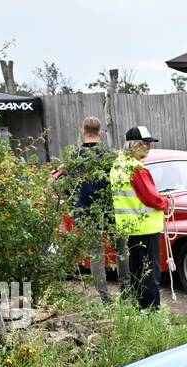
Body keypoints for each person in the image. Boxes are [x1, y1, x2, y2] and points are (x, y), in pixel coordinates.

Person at [109, 125, 170, 310]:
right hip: (146, 228)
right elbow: (151, 198)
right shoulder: (136, 168)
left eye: (149, 143)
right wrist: (166, 203)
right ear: (133, 145)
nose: (148, 147)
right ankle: (151, 311)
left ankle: (139, 309)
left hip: (127, 228)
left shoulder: (117, 165)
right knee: (149, 272)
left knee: (135, 271)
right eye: (145, 143)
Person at [61, 116, 114, 302]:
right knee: (122, 249)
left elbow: (66, 186)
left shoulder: (75, 157)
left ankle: (105, 299)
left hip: (84, 210)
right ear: (101, 132)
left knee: (96, 254)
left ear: (82, 131)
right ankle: (127, 291)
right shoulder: (109, 155)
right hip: (109, 209)